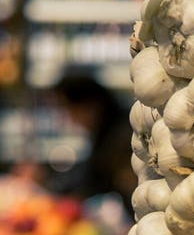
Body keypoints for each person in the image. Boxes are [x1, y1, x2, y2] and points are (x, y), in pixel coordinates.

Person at [48, 72, 136, 212]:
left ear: (89, 105)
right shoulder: (107, 130)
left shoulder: (120, 136)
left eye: (69, 110)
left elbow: (109, 182)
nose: (71, 119)